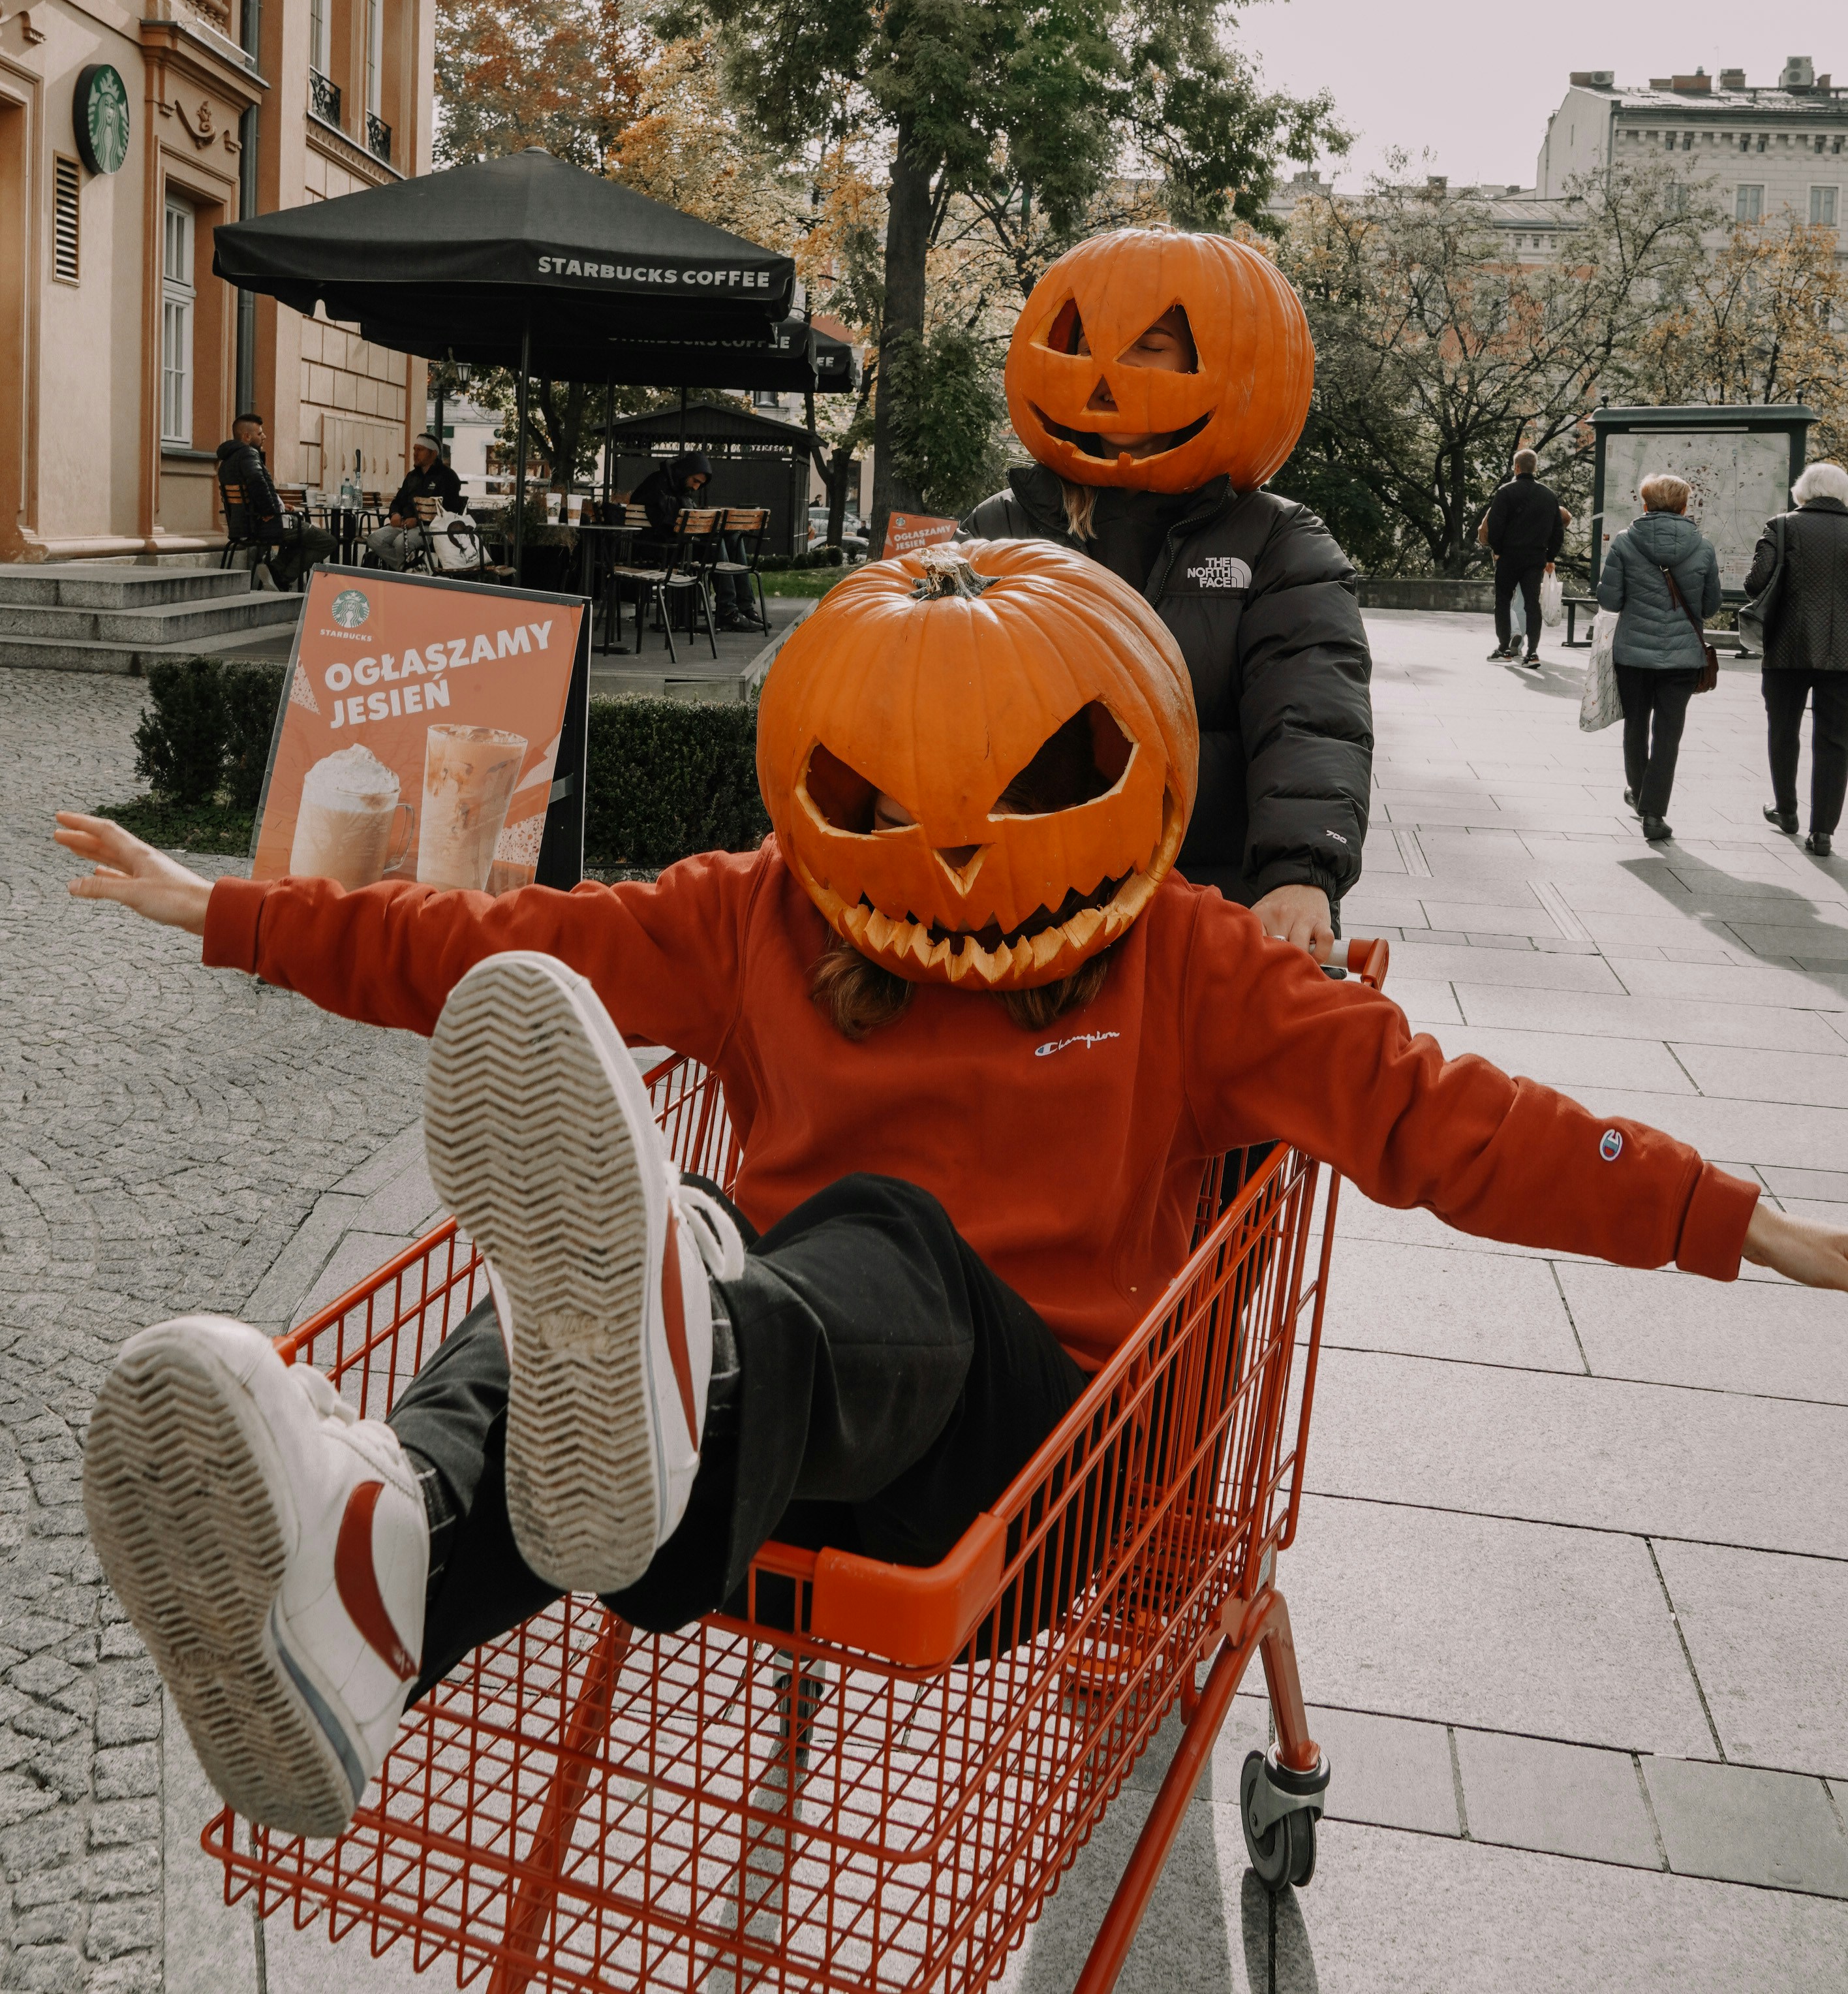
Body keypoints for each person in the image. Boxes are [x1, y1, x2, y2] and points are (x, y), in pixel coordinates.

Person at [57, 539, 1845, 1848]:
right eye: (880, 799)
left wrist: (1735, 1218)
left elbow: (1446, 1120)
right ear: (815, 783)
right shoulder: (758, 911)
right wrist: (225, 909)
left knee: (842, 1238)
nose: (958, 855)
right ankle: (391, 1567)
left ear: (1130, 767)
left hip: (1033, 1487)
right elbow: (492, 939)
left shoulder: (1197, 969)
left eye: (1035, 787)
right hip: (745, 1454)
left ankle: (684, 1365)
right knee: (591, 1272)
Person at [964, 243, 1370, 963]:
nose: (1104, 370)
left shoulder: (1276, 541)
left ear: (1214, 365)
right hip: (1026, 896)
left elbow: (1309, 716)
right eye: (1084, 342)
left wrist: (1302, 874)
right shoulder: (1002, 527)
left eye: (1149, 347)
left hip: (1201, 905)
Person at [1595, 473, 1720, 845]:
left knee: (1636, 724)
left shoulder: (1624, 542)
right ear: (1685, 507)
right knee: (1669, 733)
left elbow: (1610, 601)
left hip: (1633, 654)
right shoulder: (1703, 546)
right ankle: (1654, 812)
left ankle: (1638, 792)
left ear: (1645, 505)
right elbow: (1711, 607)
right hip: (1683, 658)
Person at [1744, 458, 1848, 858]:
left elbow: (1756, 583)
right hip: (1843, 652)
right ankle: (1823, 832)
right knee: (1835, 740)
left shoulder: (1782, 526)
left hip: (1788, 646)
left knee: (1783, 729)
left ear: (1803, 491)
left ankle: (1786, 811)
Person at [631, 448, 754, 631]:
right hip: (660, 548)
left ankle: (745, 606)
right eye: (695, 481)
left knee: (734, 537)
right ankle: (727, 611)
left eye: (700, 484)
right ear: (685, 472)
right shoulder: (658, 483)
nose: (696, 487)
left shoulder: (676, 485)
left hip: (677, 544)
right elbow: (665, 522)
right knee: (715, 542)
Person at [215, 413, 335, 591]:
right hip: (266, 526)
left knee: (301, 537)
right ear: (247, 437)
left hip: (243, 526)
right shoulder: (249, 454)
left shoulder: (227, 461)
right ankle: (279, 576)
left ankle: (276, 572)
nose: (264, 436)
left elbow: (252, 490)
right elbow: (256, 480)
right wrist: (270, 510)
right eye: (259, 433)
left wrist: (279, 505)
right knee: (328, 541)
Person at [1481, 448, 1567, 669]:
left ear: (1516, 467)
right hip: (1535, 557)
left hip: (1509, 556)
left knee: (1502, 601)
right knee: (1532, 605)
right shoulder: (1548, 495)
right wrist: (1550, 555)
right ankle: (1533, 653)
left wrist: (1497, 549)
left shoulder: (1505, 492)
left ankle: (1503, 648)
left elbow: (1496, 525)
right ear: (1535, 468)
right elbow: (1558, 530)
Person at [365, 433, 469, 572]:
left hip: (431, 527)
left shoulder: (447, 476)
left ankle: (406, 572)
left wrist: (420, 520)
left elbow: (449, 509)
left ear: (433, 454)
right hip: (404, 524)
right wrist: (395, 514)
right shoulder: (412, 476)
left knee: (400, 543)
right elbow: (398, 500)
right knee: (374, 539)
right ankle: (411, 569)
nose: (415, 454)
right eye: (414, 449)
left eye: (420, 450)